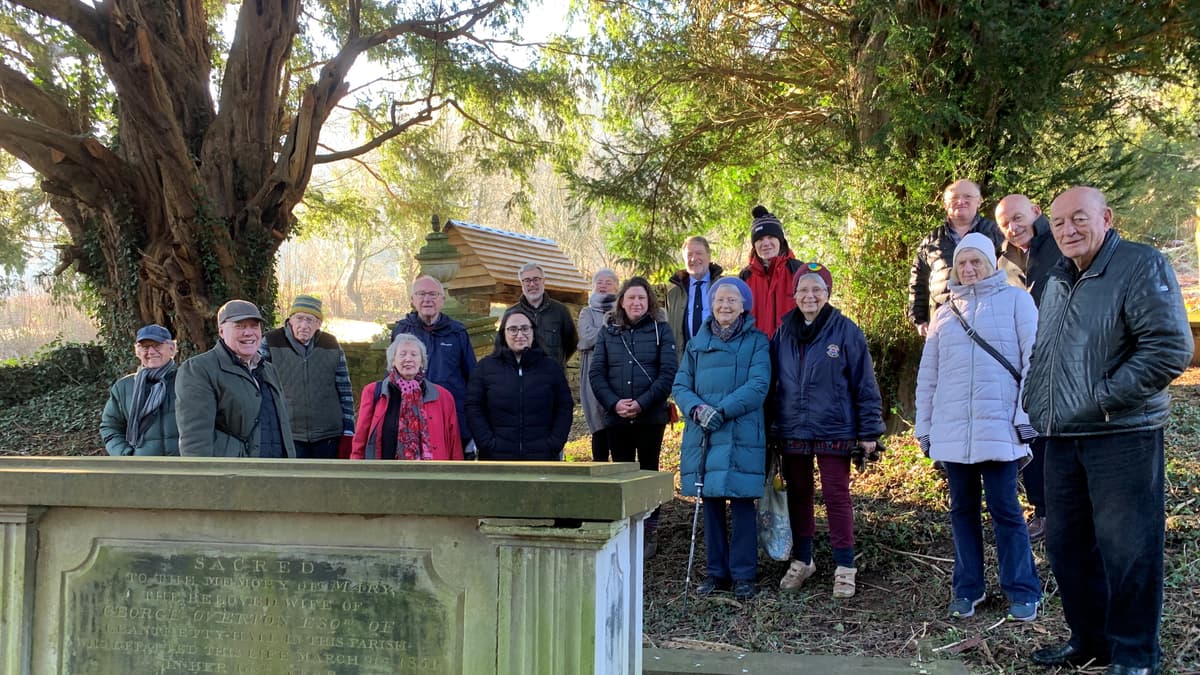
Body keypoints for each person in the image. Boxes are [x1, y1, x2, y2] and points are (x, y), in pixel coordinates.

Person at [1024, 187, 1192, 675]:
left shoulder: (1141, 265)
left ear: (1106, 217)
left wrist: (1100, 400)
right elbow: (1047, 352)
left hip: (1122, 434)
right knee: (1067, 547)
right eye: (1058, 223)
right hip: (1061, 436)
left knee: (1129, 549)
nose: (1068, 230)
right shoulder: (1057, 278)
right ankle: (1091, 640)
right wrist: (1038, 402)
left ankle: (1135, 654)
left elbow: (1168, 348)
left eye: (1079, 219)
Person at [915, 233, 1042, 621]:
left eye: (976, 262)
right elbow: (929, 377)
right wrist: (925, 428)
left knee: (1006, 510)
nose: (969, 270)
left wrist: (1024, 418)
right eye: (962, 263)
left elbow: (1033, 363)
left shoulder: (1017, 301)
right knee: (962, 511)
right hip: (954, 431)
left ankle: (1022, 589)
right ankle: (968, 588)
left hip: (1000, 428)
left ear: (990, 263)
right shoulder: (944, 312)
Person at [769, 263, 885, 599]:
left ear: (827, 293)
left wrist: (869, 431)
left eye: (817, 289)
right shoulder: (782, 333)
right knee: (800, 495)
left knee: (837, 497)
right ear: (794, 295)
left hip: (835, 428)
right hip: (792, 429)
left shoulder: (846, 331)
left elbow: (864, 383)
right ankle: (803, 559)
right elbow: (773, 383)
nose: (809, 295)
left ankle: (845, 566)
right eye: (803, 289)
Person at [673, 277, 769, 600]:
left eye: (732, 300)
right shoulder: (696, 344)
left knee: (742, 504)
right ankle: (716, 573)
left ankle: (743, 575)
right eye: (719, 300)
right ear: (711, 306)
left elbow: (758, 385)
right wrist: (698, 409)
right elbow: (680, 386)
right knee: (711, 502)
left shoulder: (757, 342)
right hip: (704, 434)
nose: (725, 305)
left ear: (744, 306)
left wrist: (723, 411)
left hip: (741, 432)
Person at [590, 277, 678, 557]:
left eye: (641, 298)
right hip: (616, 417)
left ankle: (650, 529)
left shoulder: (660, 330)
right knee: (624, 471)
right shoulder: (608, 331)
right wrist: (614, 403)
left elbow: (667, 373)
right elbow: (597, 373)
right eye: (631, 298)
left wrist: (642, 403)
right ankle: (628, 526)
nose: (636, 303)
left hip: (650, 416)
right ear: (622, 301)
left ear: (649, 301)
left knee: (649, 470)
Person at [995, 194, 1063, 542]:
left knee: (1061, 437)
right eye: (1005, 223)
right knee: (1031, 435)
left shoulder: (1061, 244)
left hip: (1064, 357)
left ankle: (1068, 511)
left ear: (1036, 212)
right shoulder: (1003, 260)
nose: (1013, 227)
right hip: (1024, 362)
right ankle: (1043, 511)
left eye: (1018, 218)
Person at [176, 299, 296, 458]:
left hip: (277, 473)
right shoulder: (199, 369)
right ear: (221, 331)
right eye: (239, 326)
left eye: (254, 326)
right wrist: (203, 479)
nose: (248, 332)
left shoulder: (268, 369)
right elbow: (195, 441)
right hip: (234, 476)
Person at [466, 307, 574, 461]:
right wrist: (487, 443)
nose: (520, 334)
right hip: (497, 457)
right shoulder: (485, 367)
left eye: (525, 328)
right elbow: (473, 407)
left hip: (542, 456)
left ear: (533, 332)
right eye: (513, 329)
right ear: (503, 333)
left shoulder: (551, 368)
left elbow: (564, 407)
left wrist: (554, 443)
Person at [391, 276, 477, 457]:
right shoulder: (402, 330)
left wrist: (471, 426)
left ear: (442, 300)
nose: (427, 299)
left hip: (450, 418)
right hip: (410, 419)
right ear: (412, 299)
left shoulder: (457, 332)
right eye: (421, 294)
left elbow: (473, 380)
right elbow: (392, 374)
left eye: (433, 294)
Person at [907, 179, 1004, 336]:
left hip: (989, 317)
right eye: (954, 198)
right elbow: (918, 279)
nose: (961, 201)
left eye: (967, 196)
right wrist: (919, 318)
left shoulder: (996, 233)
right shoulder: (932, 240)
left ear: (979, 201)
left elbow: (1010, 272)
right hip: (943, 319)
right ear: (945, 204)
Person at [262, 295, 354, 459]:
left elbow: (345, 390)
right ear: (290, 320)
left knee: (326, 483)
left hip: (328, 434)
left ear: (319, 324)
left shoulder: (331, 344)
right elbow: (259, 388)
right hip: (288, 433)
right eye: (299, 318)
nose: (304, 325)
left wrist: (349, 429)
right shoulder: (270, 341)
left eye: (310, 320)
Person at [349, 333, 463, 460]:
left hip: (432, 474)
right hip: (386, 473)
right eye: (402, 354)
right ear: (393, 361)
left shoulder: (443, 396)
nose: (408, 359)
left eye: (414, 354)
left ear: (422, 361)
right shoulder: (373, 391)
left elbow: (455, 444)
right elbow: (360, 438)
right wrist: (356, 467)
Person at [100, 324, 181, 456]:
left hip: (184, 467)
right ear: (137, 352)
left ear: (172, 349)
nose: (151, 351)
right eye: (145, 347)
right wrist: (125, 454)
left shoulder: (187, 381)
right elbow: (110, 427)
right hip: (142, 469)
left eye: (157, 345)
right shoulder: (124, 387)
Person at [739, 206, 803, 337]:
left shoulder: (798, 271)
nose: (766, 243)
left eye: (770, 237)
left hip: (792, 352)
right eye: (760, 239)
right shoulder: (745, 277)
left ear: (780, 240)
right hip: (756, 353)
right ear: (754, 245)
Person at [577, 269, 620, 461]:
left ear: (616, 287)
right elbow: (586, 339)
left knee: (617, 423)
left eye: (608, 282)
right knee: (599, 425)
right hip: (593, 372)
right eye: (599, 282)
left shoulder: (623, 311)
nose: (603, 285)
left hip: (618, 373)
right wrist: (606, 324)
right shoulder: (586, 312)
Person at [510, 262, 578, 368]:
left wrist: (557, 363)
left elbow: (572, 343)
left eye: (536, 279)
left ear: (543, 281)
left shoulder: (560, 311)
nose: (532, 284)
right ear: (521, 284)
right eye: (527, 280)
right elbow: (503, 347)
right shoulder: (511, 314)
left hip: (554, 379)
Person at [666, 236, 724, 357]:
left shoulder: (725, 287)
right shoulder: (673, 295)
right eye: (689, 255)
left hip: (719, 362)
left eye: (699, 253)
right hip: (685, 364)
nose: (694, 258)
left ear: (709, 256)